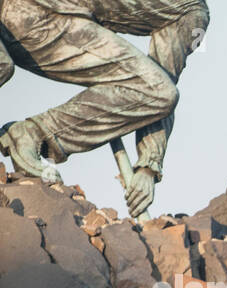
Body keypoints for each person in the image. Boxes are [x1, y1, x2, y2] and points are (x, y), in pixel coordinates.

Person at [0, 0, 209, 216]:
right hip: (25, 17)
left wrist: (150, 163)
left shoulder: (192, 12)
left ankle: (33, 133)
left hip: (65, 20)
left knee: (160, 91)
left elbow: (161, 86)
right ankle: (33, 134)